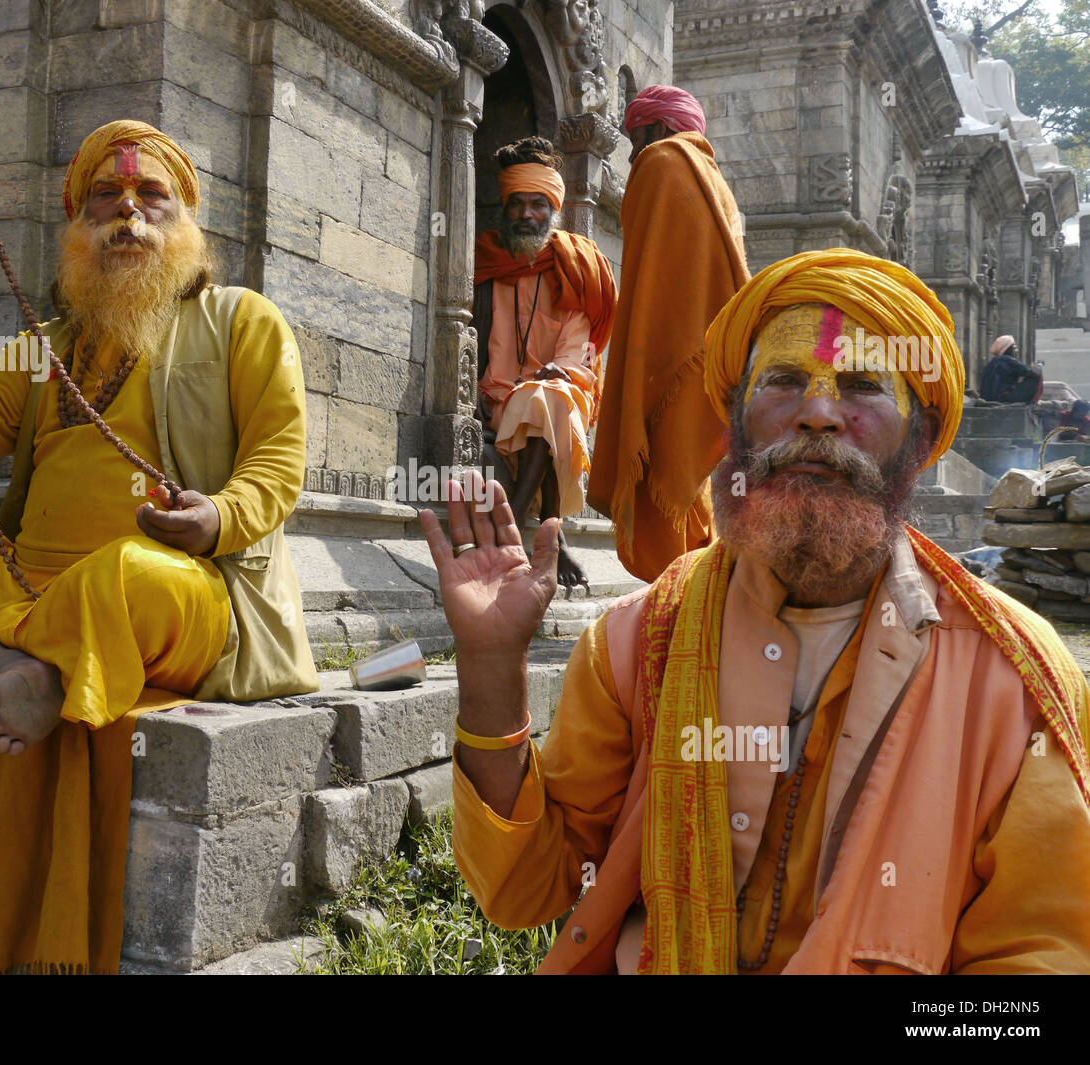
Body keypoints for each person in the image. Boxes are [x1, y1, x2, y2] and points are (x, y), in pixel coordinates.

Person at [423, 248, 1090, 974]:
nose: (817, 412)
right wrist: (491, 668)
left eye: (863, 385)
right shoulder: (638, 641)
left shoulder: (1017, 684)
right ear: (736, 421)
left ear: (921, 440)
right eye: (784, 380)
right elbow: (526, 891)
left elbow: (1038, 960)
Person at [0, 120, 318, 755]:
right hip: (23, 581)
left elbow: (279, 455)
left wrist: (219, 516)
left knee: (139, 575)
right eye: (105, 195)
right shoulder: (43, 346)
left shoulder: (240, 318)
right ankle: (20, 670)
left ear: (185, 222)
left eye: (151, 194)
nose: (128, 208)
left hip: (167, 586)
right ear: (78, 227)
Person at [588, 85, 749, 582]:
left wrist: (641, 366)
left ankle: (673, 600)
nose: (633, 154)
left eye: (634, 139)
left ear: (657, 129)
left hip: (669, 358)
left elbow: (649, 287)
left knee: (663, 472)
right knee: (691, 479)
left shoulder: (660, 162)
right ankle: (694, 596)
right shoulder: (717, 180)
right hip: (714, 360)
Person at [471, 137, 616, 590]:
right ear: (506, 207)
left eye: (538, 205)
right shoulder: (485, 258)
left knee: (551, 394)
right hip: (499, 394)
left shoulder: (572, 266)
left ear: (553, 210)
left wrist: (562, 370)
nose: (527, 215)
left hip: (561, 388)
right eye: (518, 205)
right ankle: (550, 532)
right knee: (546, 400)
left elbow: (579, 344)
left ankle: (513, 516)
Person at [979, 334, 1043, 403]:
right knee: (1037, 376)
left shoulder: (992, 362)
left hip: (989, 398)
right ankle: (1032, 403)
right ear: (1006, 349)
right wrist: (1039, 365)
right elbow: (1034, 374)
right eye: (1014, 348)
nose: (1017, 350)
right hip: (1003, 398)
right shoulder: (1008, 360)